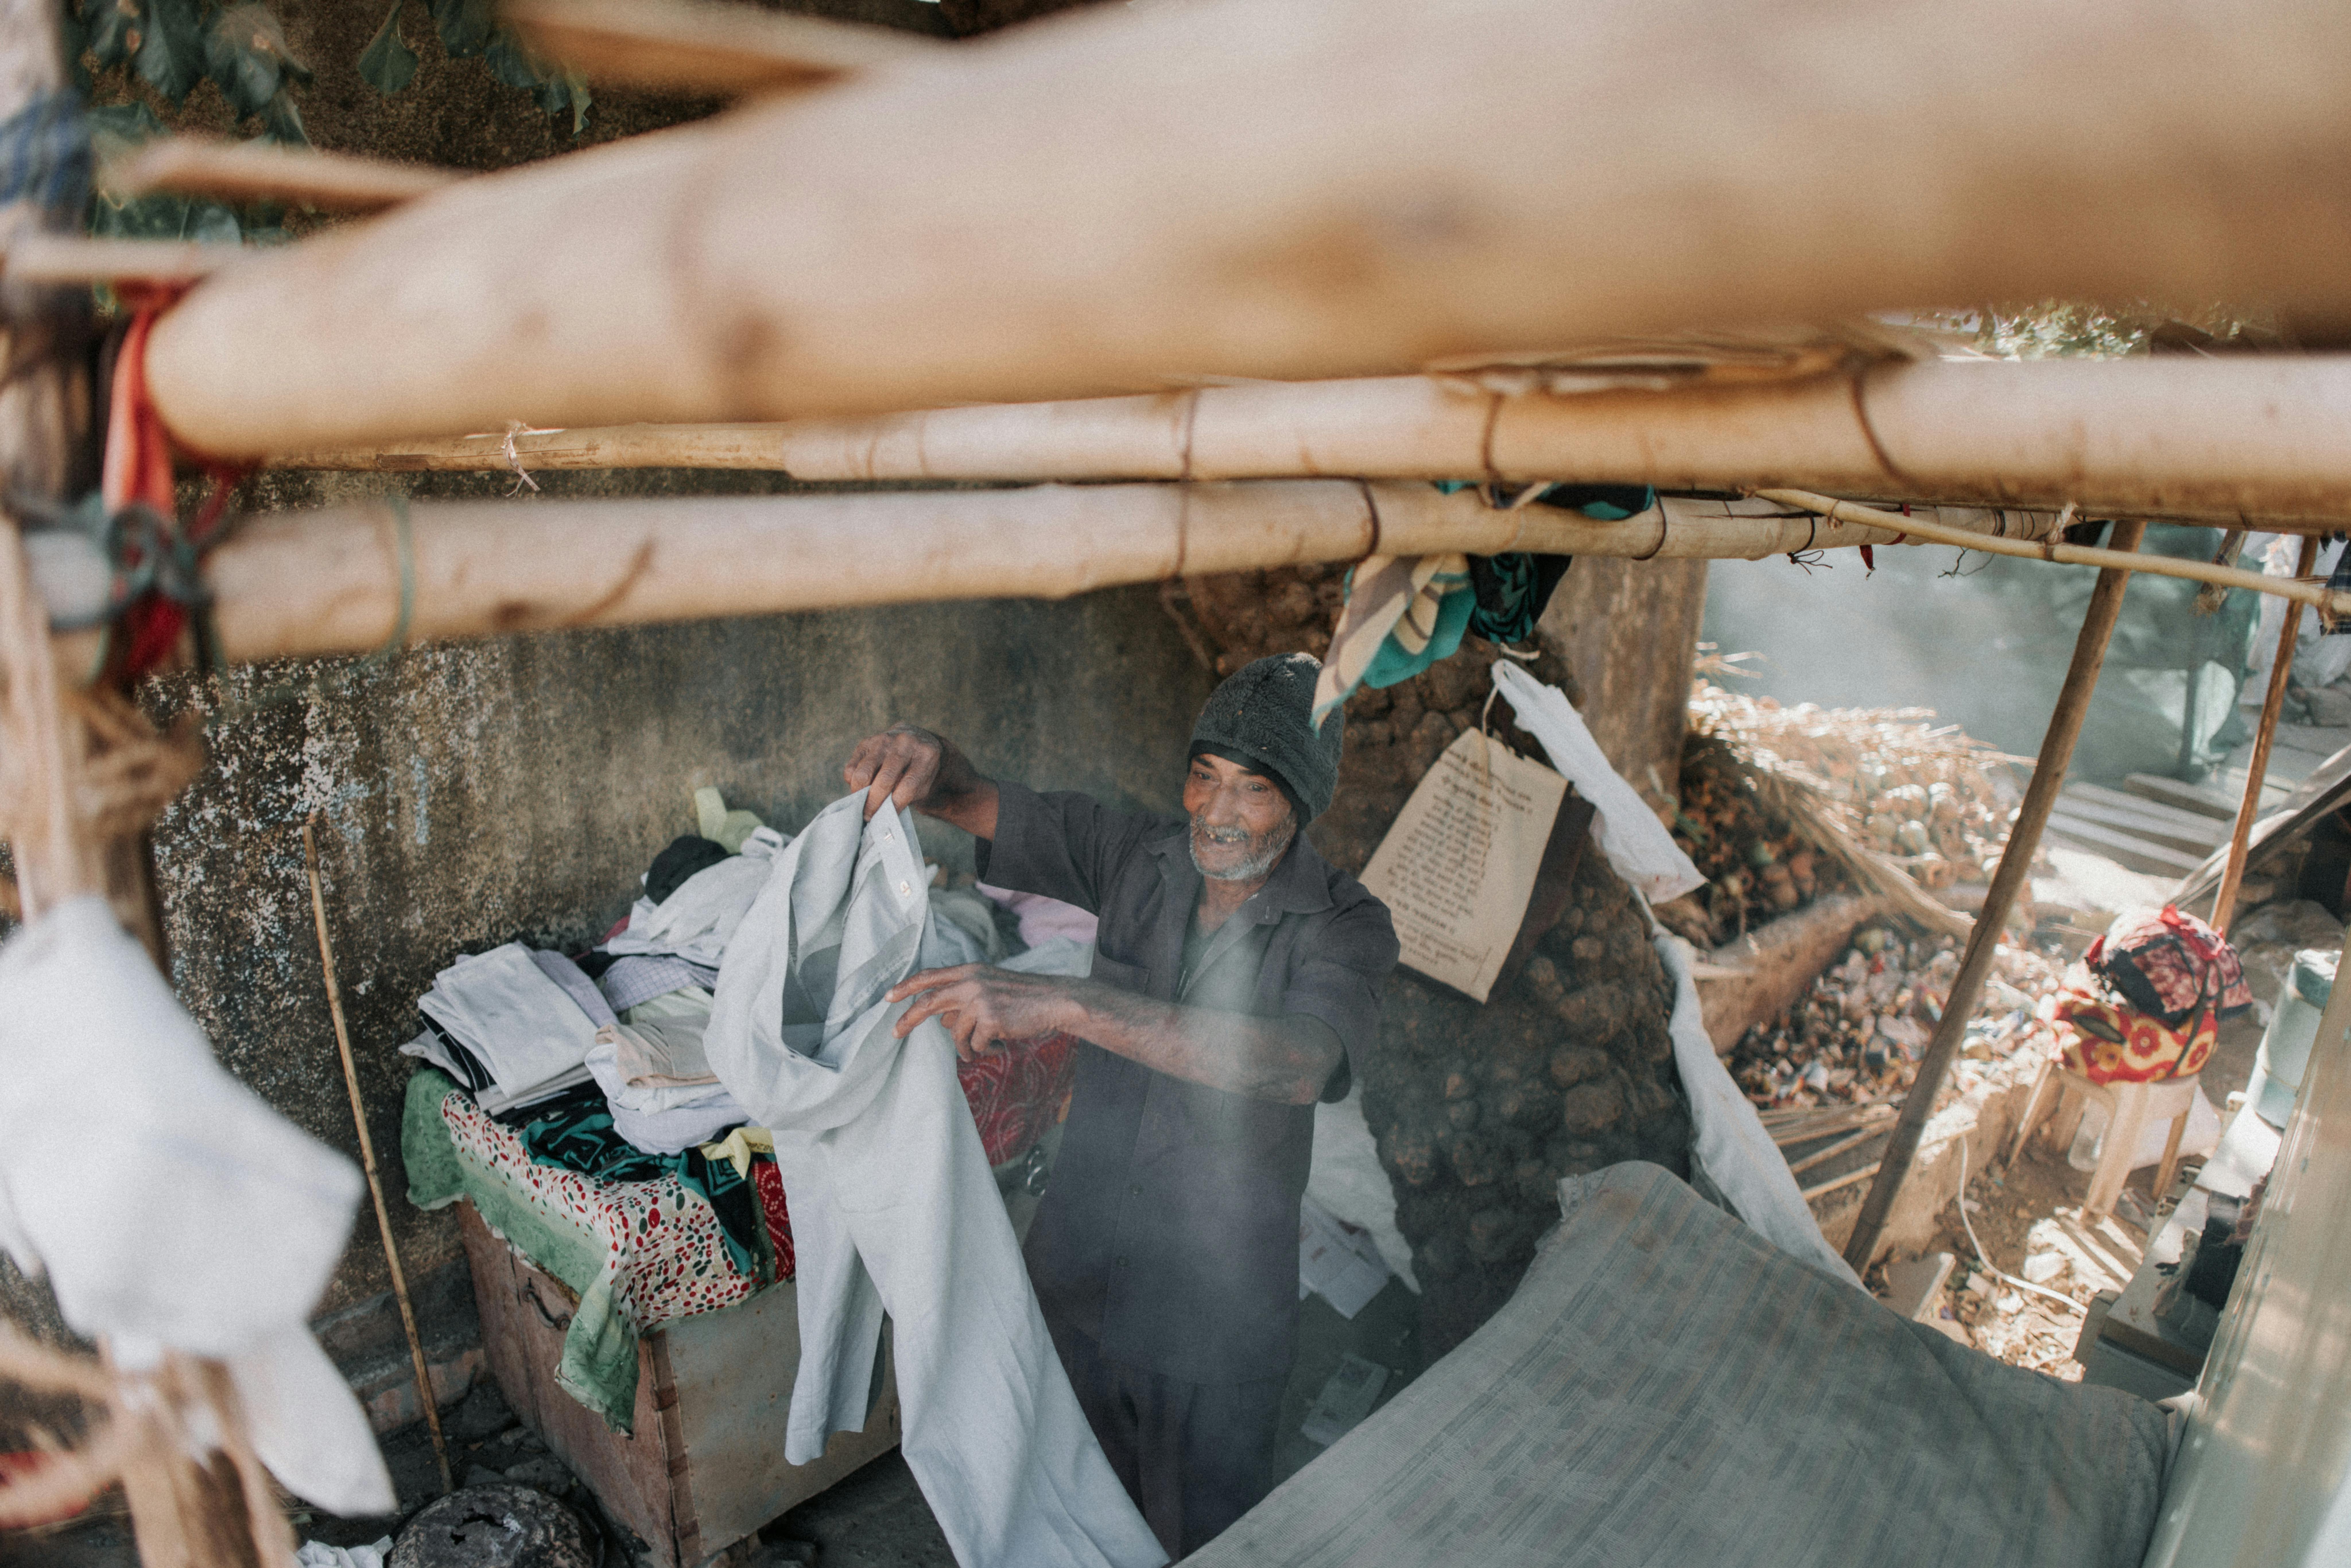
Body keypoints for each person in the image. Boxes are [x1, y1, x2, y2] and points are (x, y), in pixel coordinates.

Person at [843, 653, 1398, 1557]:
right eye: (1204, 777)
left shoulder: (1346, 925)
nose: (1216, 814)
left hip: (1211, 1324)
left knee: (1204, 1542)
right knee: (1064, 1522)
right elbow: (976, 798)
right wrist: (926, 760)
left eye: (1253, 790)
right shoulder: (1137, 857)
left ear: (1301, 806)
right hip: (1075, 1280)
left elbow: (1297, 1065)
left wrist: (1070, 1004)